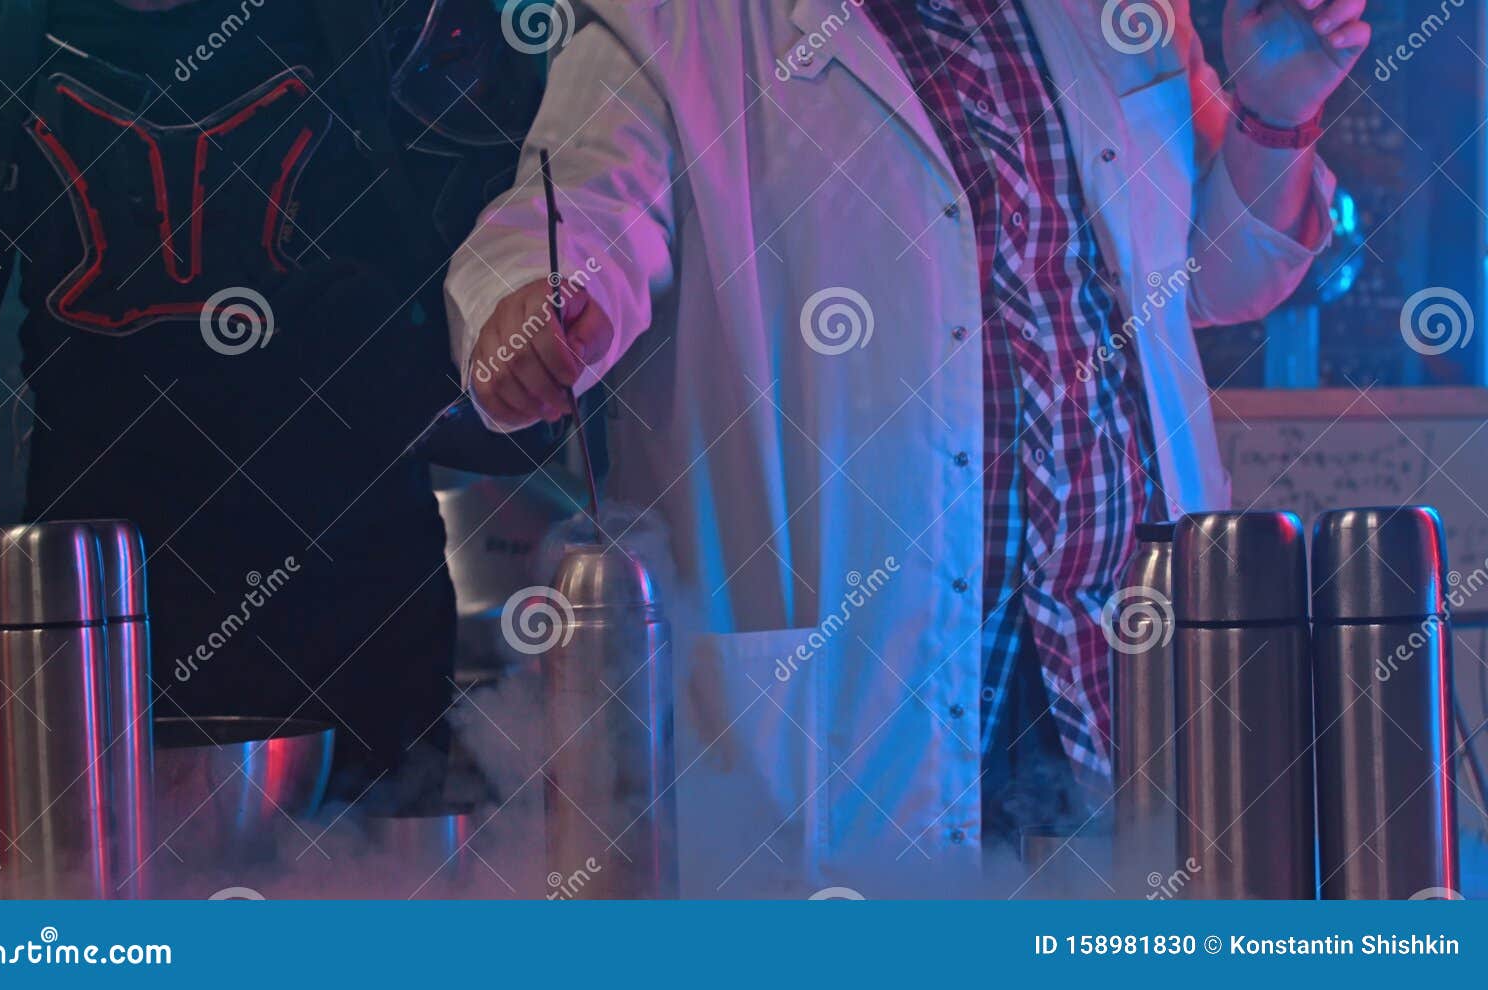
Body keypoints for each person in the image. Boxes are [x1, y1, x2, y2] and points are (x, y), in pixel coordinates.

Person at [447, 0, 1369, 896]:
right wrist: (537, 303)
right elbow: (571, 213)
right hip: (873, 701)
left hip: (1118, 672)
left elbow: (1216, 275)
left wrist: (1275, 112)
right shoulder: (679, 24)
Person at [0, 0, 549, 819]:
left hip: (366, 652)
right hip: (88, 659)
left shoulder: (409, 25)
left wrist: (393, 372)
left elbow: (544, 416)